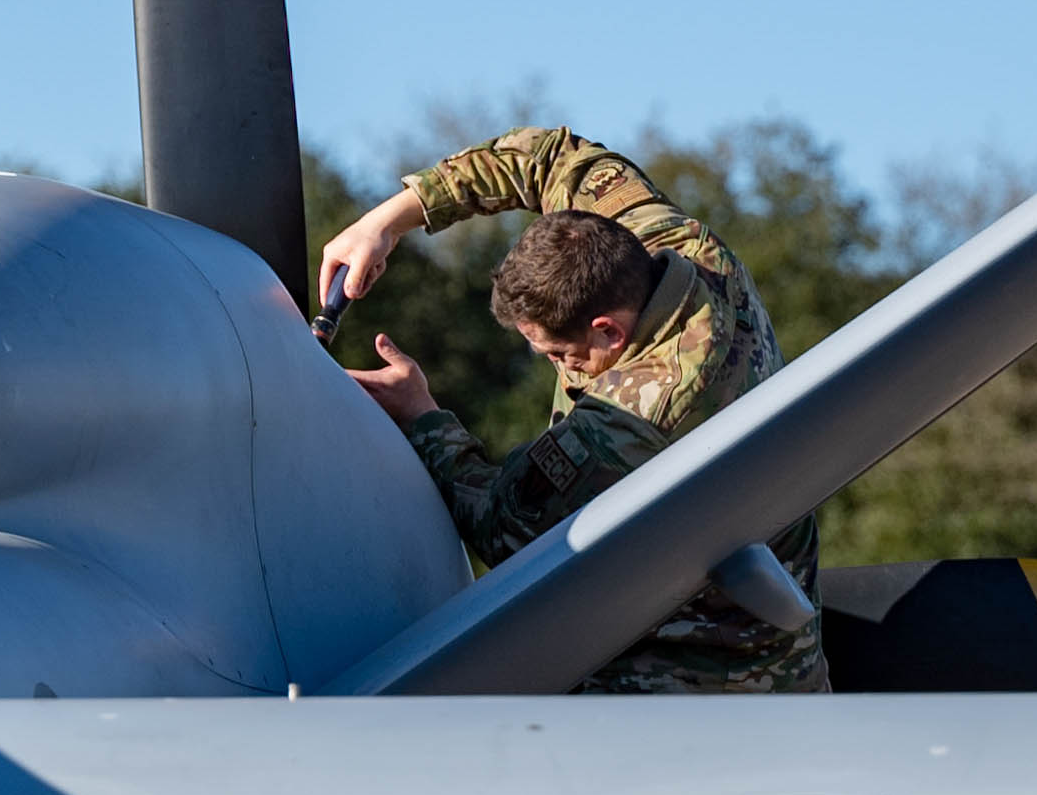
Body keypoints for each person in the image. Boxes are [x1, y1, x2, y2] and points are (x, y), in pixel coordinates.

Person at [319, 125, 825, 695]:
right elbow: (545, 156)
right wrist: (382, 224)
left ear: (608, 332)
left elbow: (505, 530)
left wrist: (423, 416)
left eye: (561, 353)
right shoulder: (673, 248)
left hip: (709, 677)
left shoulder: (629, 424)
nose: (557, 366)